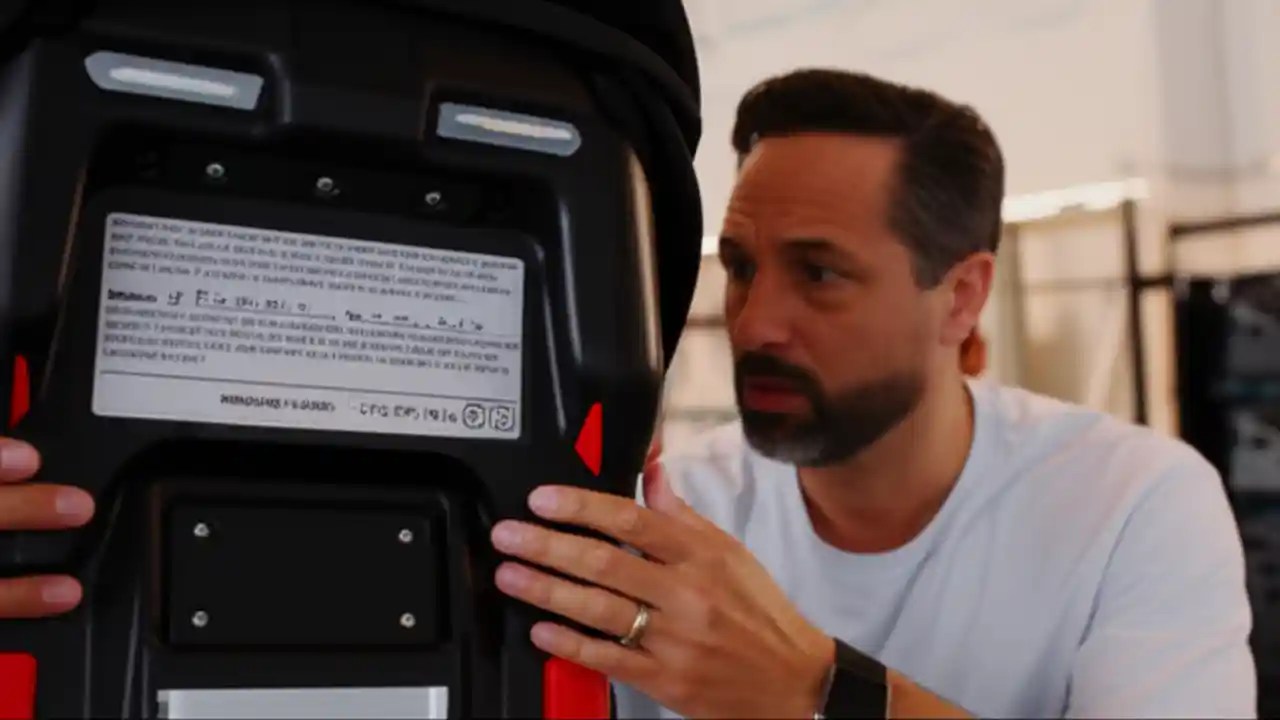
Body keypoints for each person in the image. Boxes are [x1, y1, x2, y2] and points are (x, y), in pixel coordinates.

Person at [0, 68, 1255, 718]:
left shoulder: (1131, 499)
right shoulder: (662, 520)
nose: (754, 322)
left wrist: (812, 693)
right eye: (740, 266)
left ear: (961, 296)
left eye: (820, 275)